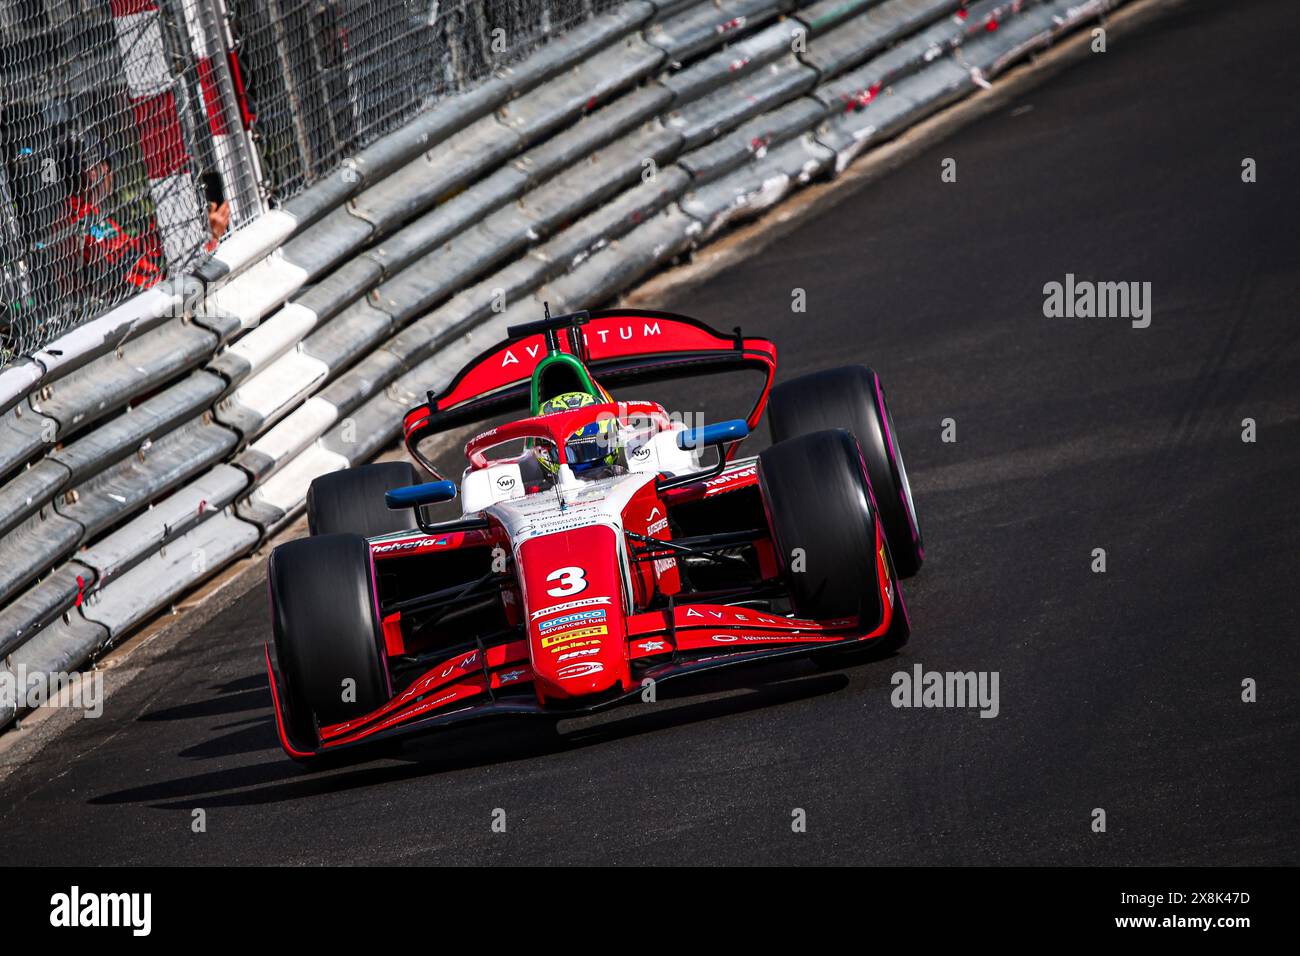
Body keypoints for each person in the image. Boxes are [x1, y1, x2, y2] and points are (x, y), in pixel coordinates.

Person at [60, 128, 230, 295]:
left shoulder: (76, 214)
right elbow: (145, 281)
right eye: (105, 164)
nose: (109, 172)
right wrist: (211, 239)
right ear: (94, 171)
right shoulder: (85, 220)